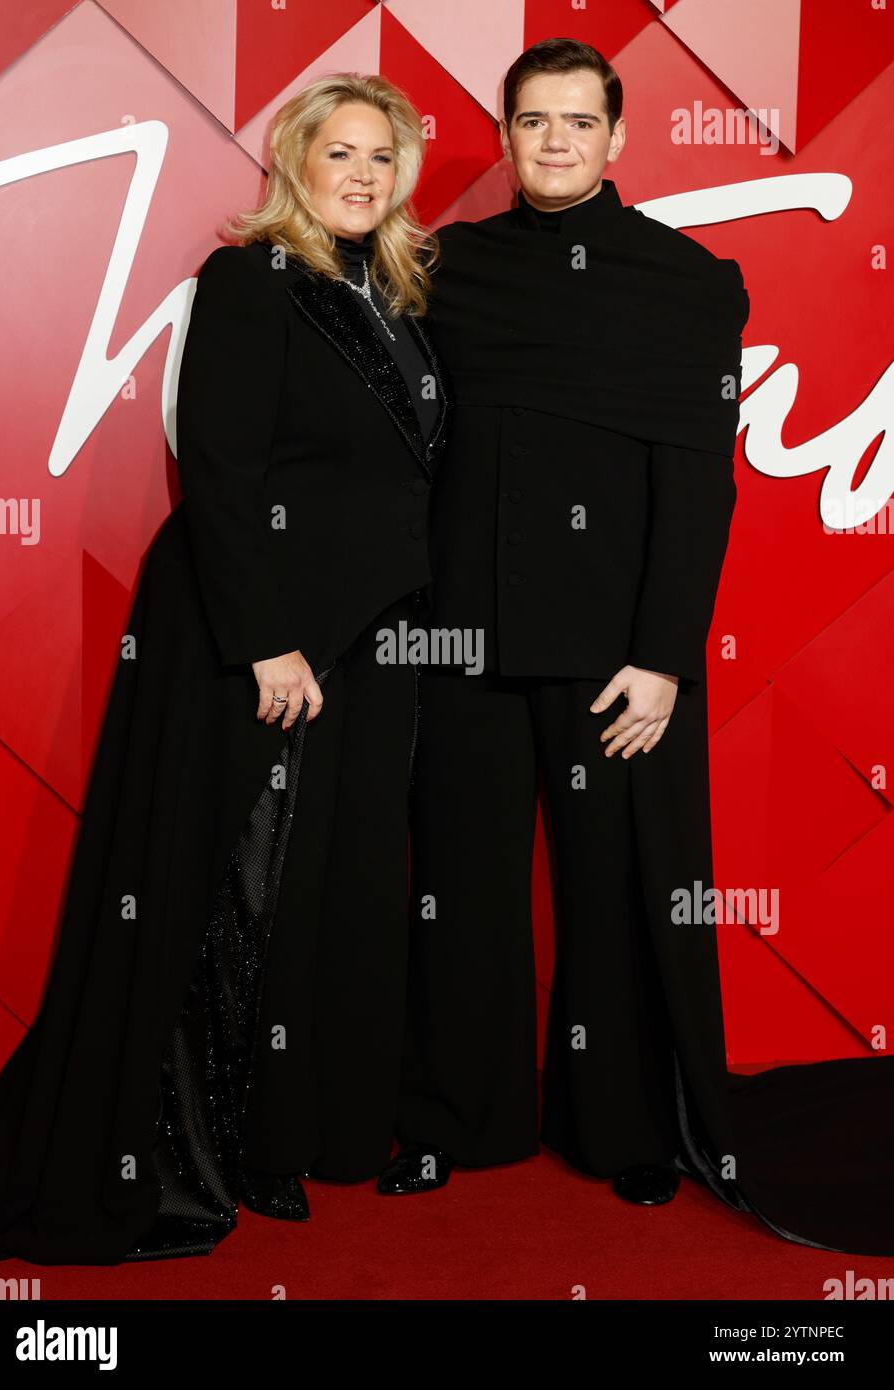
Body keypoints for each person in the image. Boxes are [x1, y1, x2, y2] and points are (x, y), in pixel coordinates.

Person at [380, 38, 894, 1258]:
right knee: (460, 887)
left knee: (615, 892)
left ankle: (626, 1133)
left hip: (615, 651)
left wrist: (663, 655)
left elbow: (697, 487)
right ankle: (459, 1116)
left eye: (576, 122)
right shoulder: (442, 273)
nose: (552, 141)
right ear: (504, 139)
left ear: (615, 139)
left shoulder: (681, 281)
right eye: (530, 122)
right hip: (458, 638)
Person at [0, 73, 448, 1272]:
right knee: (232, 886)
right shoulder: (250, 281)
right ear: (294, 160)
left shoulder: (395, 296)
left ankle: (271, 1134)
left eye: (380, 158)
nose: (361, 175)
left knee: (309, 894)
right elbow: (222, 473)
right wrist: (266, 640)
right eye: (338, 152)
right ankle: (192, 1151)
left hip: (363, 642)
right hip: (258, 639)